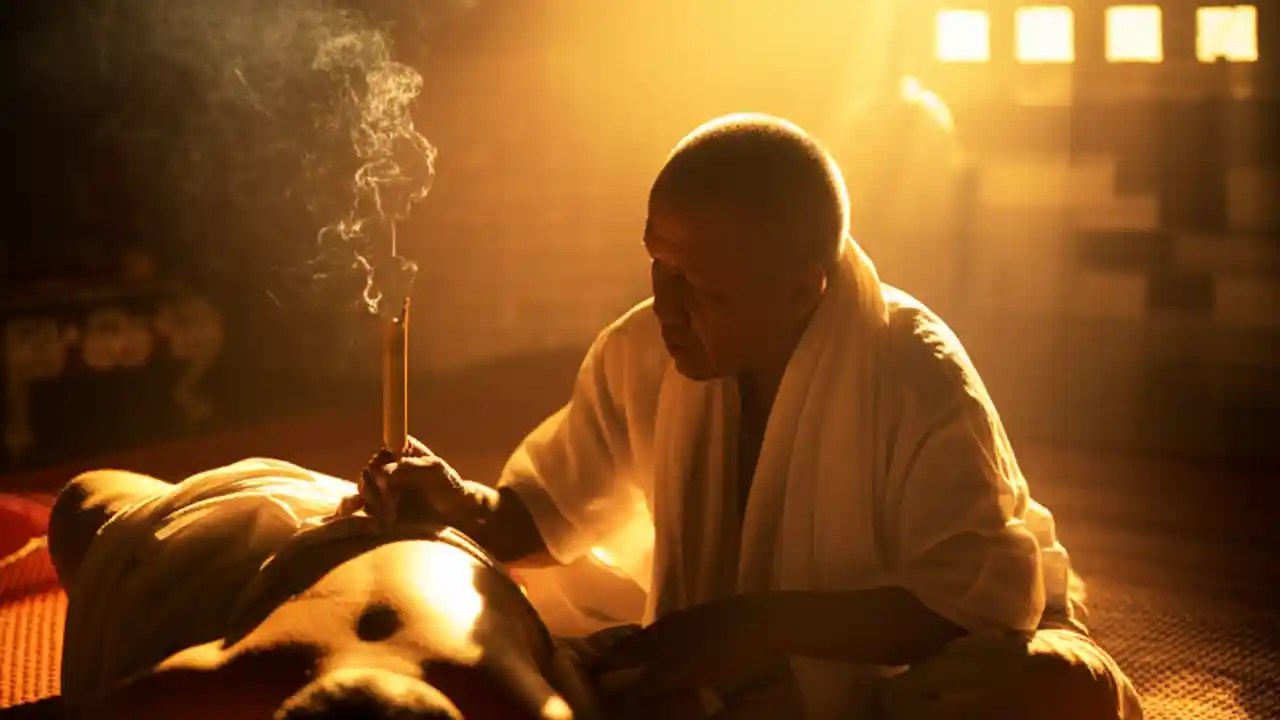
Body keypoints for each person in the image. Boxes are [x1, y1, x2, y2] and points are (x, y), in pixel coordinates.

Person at [359, 113, 1144, 719]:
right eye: (656, 264)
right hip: (748, 644)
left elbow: (967, 603)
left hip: (952, 647)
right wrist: (457, 500)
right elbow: (547, 510)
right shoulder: (642, 347)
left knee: (1029, 694)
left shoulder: (916, 374)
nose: (664, 307)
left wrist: (754, 629)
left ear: (804, 291)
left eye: (700, 287)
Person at [46, 457, 598, 719]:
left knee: (93, 506)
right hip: (332, 542)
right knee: (85, 503)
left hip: (341, 556)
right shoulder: (248, 675)